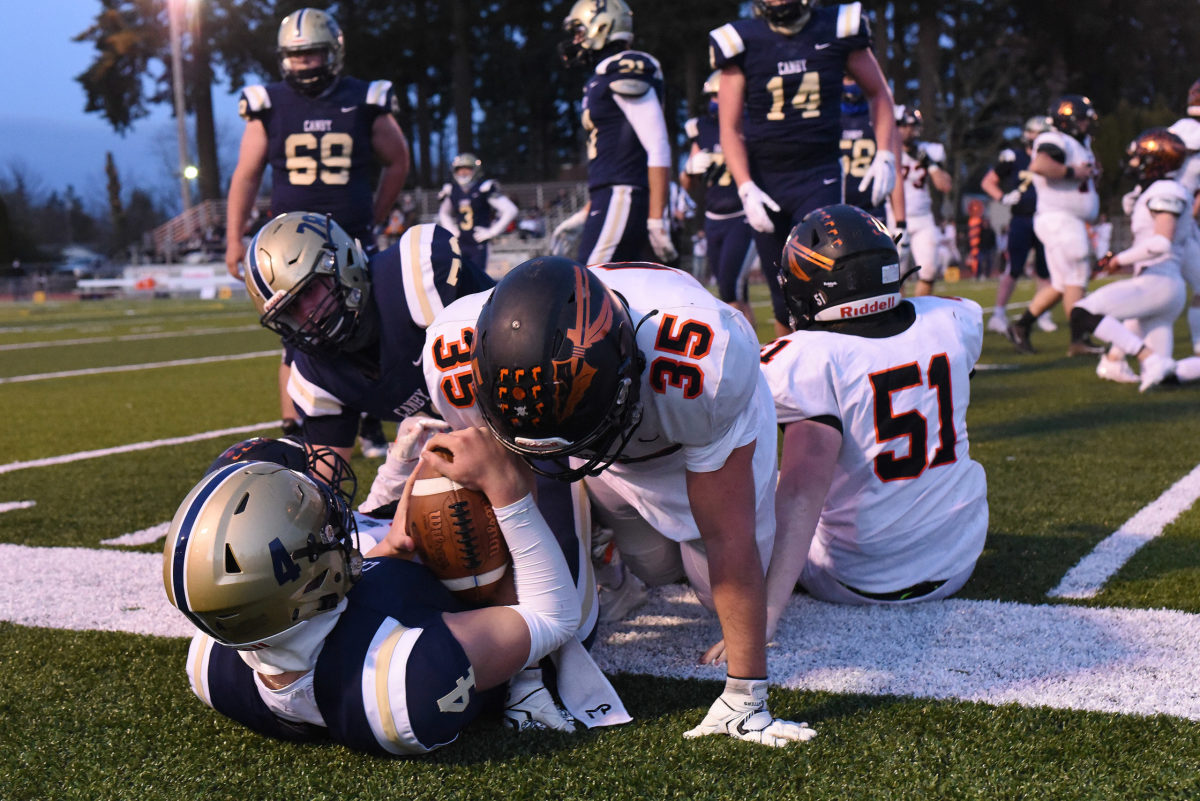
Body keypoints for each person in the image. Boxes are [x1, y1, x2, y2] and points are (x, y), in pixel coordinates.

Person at [420, 255, 816, 746]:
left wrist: (746, 695)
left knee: (715, 587)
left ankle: (607, 536)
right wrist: (525, 676)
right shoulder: (454, 355)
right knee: (650, 566)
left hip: (685, 436)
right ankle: (610, 555)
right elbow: (505, 513)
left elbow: (726, 534)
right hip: (607, 447)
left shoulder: (699, 361)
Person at [163, 426, 584, 756]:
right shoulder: (398, 682)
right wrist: (508, 491)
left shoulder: (211, 666)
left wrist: (390, 550)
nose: (337, 529)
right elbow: (555, 617)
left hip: (359, 622)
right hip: (484, 611)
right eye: (324, 531)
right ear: (307, 582)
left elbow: (343, 615)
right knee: (515, 475)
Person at [739, 204, 986, 641]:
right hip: (958, 561)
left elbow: (801, 491)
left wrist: (769, 607)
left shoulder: (809, 356)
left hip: (858, 579)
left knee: (750, 484)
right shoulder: (951, 318)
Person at [224, 8, 411, 453]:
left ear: (334, 53)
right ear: (284, 57)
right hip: (289, 248)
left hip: (351, 238)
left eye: (314, 54)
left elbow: (398, 158)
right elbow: (246, 174)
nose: (306, 63)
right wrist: (234, 236)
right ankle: (299, 428)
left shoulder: (365, 99)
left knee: (369, 328)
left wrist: (377, 214)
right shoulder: (268, 105)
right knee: (296, 332)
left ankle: (368, 422)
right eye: (298, 55)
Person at [710, 0, 901, 337]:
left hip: (818, 174)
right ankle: (785, 384)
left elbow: (879, 93)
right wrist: (745, 186)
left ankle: (841, 371)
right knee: (783, 296)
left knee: (829, 283)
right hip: (765, 181)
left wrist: (886, 154)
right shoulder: (741, 40)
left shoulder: (838, 27)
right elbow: (730, 127)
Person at [243, 213, 492, 468]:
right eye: (290, 310)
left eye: (308, 290)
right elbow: (328, 477)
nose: (306, 313)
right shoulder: (315, 372)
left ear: (343, 261)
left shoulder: (411, 276)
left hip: (523, 393)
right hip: (471, 448)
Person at [550, 0, 677, 266]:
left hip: (623, 193)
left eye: (579, 31)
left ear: (601, 26)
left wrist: (656, 218)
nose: (575, 40)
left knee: (587, 285)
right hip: (611, 195)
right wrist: (585, 213)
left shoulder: (624, 65)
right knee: (620, 295)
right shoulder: (600, 77)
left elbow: (657, 143)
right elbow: (614, 152)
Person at [1070, 129, 1188, 391]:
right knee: (1167, 375)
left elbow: (1161, 242)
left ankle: (1147, 357)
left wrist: (1119, 259)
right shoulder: (1156, 189)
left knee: (1082, 313)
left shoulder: (1166, 190)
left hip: (1159, 280)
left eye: (1138, 157)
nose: (1133, 163)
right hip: (1161, 282)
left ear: (1156, 161)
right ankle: (1125, 362)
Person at [1005, 95, 1101, 354]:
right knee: (1077, 277)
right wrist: (1073, 172)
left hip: (1066, 219)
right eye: (1080, 119)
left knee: (1061, 284)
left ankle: (1021, 326)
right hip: (1059, 218)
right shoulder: (1053, 139)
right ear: (1066, 120)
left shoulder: (1080, 142)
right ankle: (1078, 340)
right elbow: (1041, 165)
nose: (1085, 124)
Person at [681, 71, 757, 325]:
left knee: (730, 290)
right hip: (713, 219)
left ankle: (748, 357)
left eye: (721, 94)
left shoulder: (751, 124)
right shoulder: (700, 127)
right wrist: (690, 168)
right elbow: (687, 183)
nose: (717, 99)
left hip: (741, 215)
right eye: (713, 95)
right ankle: (754, 354)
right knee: (733, 291)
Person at [981, 115, 1056, 334]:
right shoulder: (1013, 157)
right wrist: (1003, 198)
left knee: (1045, 270)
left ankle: (1043, 313)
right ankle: (998, 314)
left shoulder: (1052, 158)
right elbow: (987, 182)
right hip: (1021, 219)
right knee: (1013, 268)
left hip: (1045, 218)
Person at [889, 106, 953, 296]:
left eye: (913, 126)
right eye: (906, 126)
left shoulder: (930, 151)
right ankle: (899, 321)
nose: (911, 131)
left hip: (923, 219)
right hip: (893, 219)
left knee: (929, 271)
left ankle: (920, 317)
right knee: (895, 277)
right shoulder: (887, 151)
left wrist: (930, 164)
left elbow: (945, 185)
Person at [437, 153, 519, 272]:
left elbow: (511, 210)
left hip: (478, 243)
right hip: (459, 242)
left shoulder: (484, 188)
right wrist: (451, 230)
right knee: (458, 280)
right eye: (460, 170)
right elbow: (444, 213)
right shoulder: (452, 190)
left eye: (467, 169)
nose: (463, 173)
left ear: (475, 170)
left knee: (478, 280)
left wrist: (492, 232)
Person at [1166, 78, 1200, 357]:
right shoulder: (1187, 131)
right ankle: (1117, 351)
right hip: (1172, 218)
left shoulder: (1180, 129)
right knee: (1159, 289)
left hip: (1179, 217)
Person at [839, 76, 885, 219]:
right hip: (836, 201)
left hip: (872, 204)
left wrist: (900, 221)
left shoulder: (880, 116)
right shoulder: (831, 115)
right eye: (847, 78)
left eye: (854, 78)